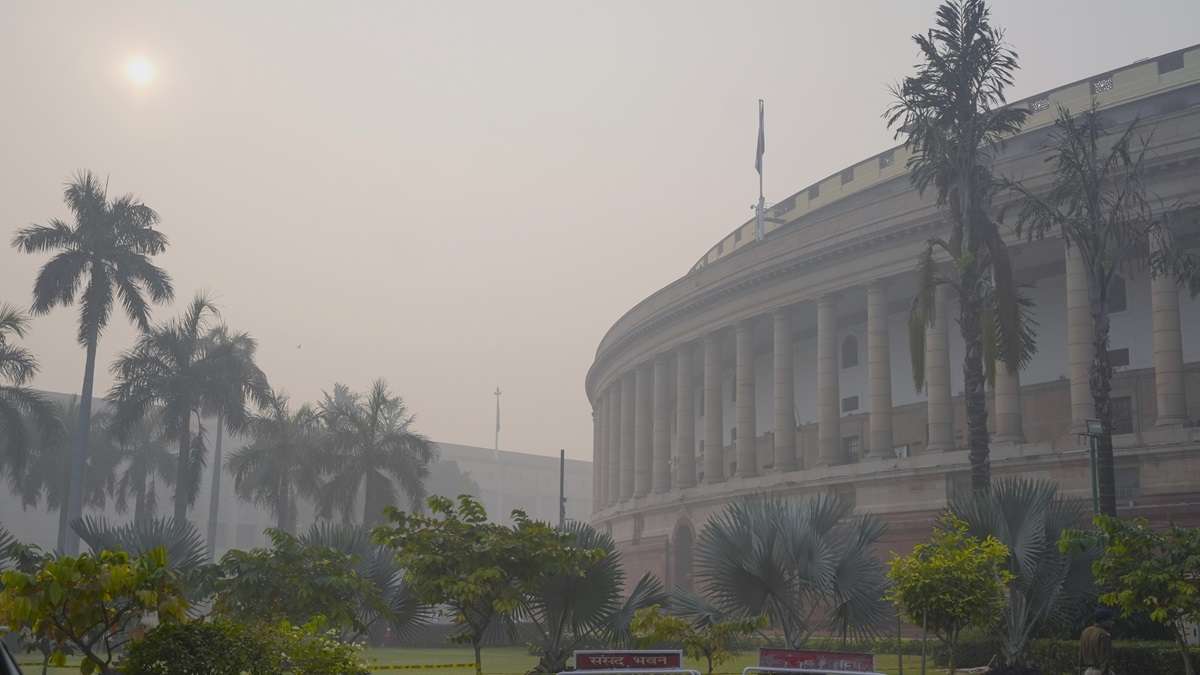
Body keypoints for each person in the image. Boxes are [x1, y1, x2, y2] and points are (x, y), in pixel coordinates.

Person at [1079, 607, 1115, 675]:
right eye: (1110, 620)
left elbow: (1080, 656)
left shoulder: (1085, 632)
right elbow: (1105, 659)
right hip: (1100, 671)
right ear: (1103, 621)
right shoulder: (1104, 635)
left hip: (1087, 671)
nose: (1112, 622)